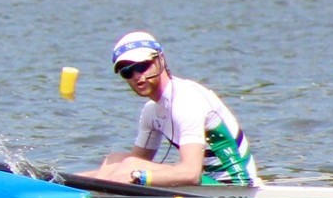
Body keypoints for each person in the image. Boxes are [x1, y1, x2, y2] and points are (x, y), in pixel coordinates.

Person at [90, 30, 260, 186]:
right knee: (115, 160)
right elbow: (127, 166)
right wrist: (68, 179)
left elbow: (190, 173)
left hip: (237, 187)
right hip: (207, 185)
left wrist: (138, 176)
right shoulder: (151, 111)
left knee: (130, 165)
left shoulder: (187, 100)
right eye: (127, 72)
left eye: (142, 66)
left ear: (161, 60)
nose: (137, 76)